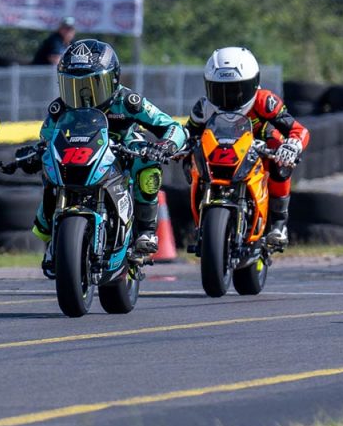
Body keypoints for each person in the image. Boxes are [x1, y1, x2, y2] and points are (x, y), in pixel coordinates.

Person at [22, 40, 185, 268]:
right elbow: (47, 138)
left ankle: (146, 231)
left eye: (92, 85)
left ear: (113, 80)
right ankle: (51, 237)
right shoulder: (60, 109)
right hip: (78, 155)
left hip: (121, 153)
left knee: (148, 167)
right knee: (49, 164)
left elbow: (173, 127)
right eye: (73, 86)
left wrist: (165, 145)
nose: (83, 95)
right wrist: (35, 152)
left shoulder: (128, 102)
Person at [188, 47, 310, 246]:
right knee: (191, 161)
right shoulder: (203, 107)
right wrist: (178, 147)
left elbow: (298, 129)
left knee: (281, 163)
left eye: (237, 90)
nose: (229, 97)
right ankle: (201, 222)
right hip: (220, 150)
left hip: (260, 145)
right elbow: (188, 133)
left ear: (253, 85)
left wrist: (292, 145)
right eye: (220, 90)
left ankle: (279, 223)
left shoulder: (265, 101)